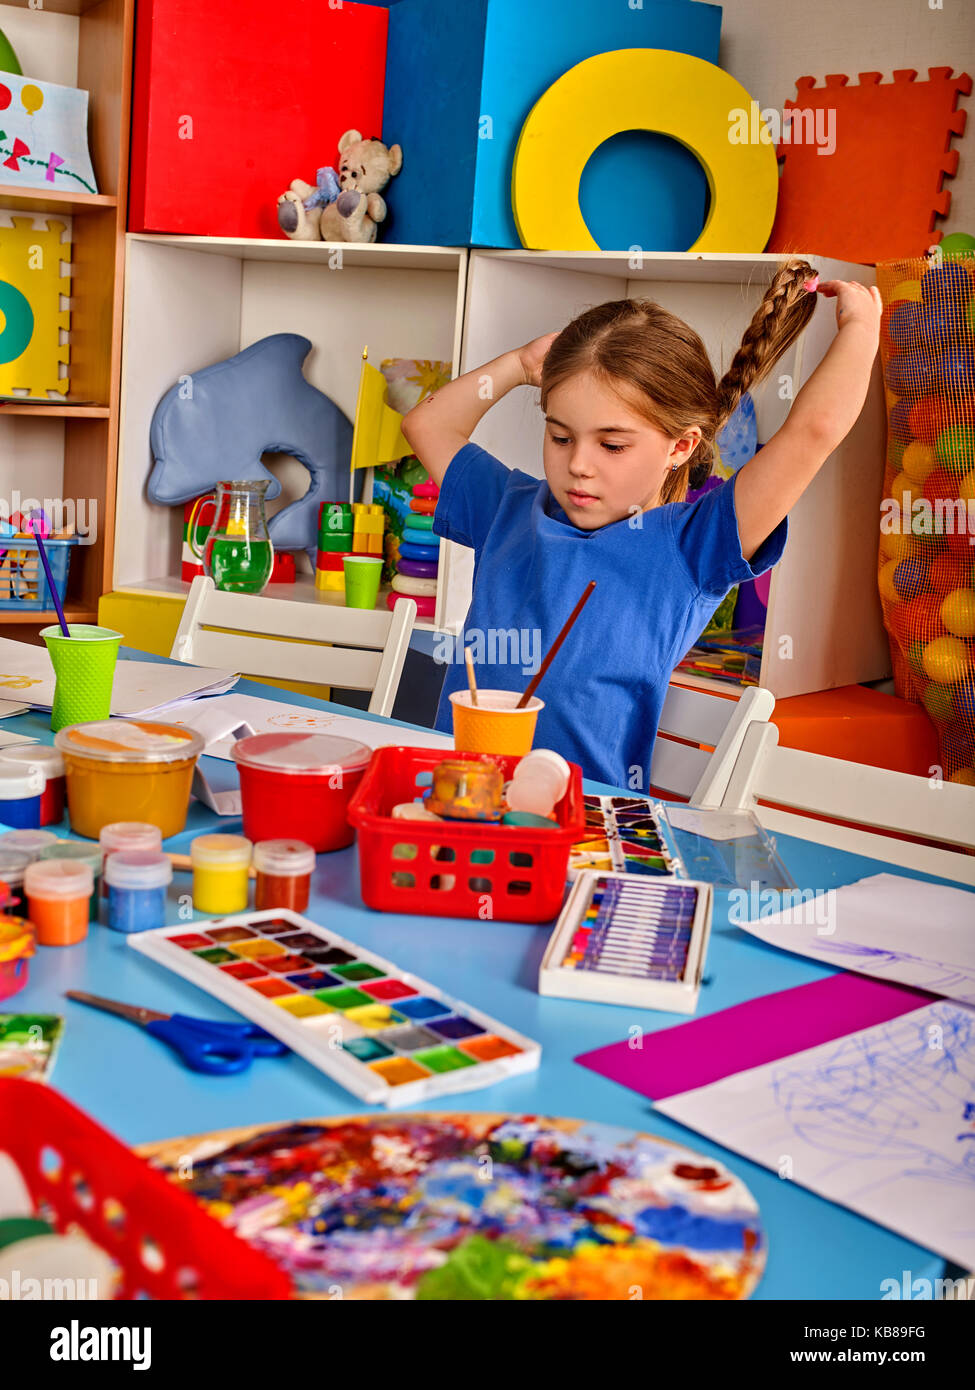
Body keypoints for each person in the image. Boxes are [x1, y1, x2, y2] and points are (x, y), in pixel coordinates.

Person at [402, 259, 882, 789]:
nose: (579, 464)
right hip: (457, 801)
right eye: (560, 437)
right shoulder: (509, 508)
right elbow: (427, 423)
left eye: (611, 445)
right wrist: (518, 364)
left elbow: (812, 431)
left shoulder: (693, 545)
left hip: (590, 828)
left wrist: (861, 329)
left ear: (681, 447)